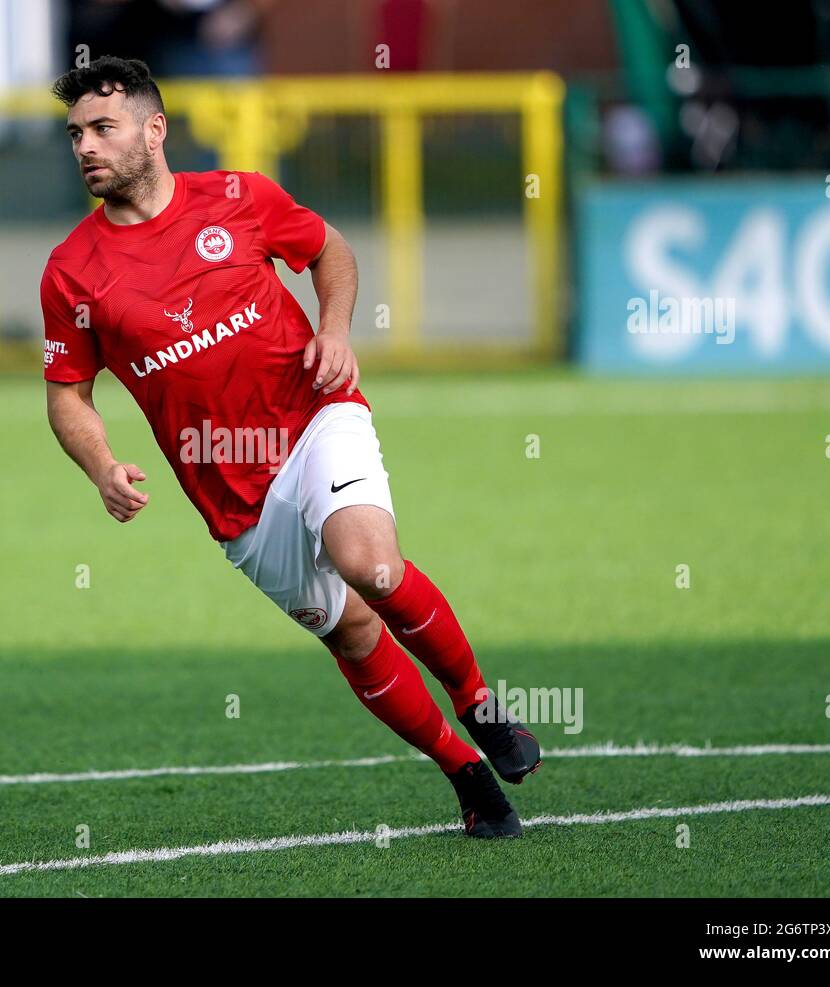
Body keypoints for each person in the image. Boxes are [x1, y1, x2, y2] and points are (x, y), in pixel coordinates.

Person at [41, 56, 540, 837]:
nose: (85, 147)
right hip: (234, 496)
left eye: (102, 128)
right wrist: (102, 466)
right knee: (352, 632)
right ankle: (465, 773)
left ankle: (480, 702)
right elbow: (68, 394)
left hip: (314, 418)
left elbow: (329, 250)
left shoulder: (238, 197)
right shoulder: (72, 272)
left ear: (154, 129)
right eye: (75, 134)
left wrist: (335, 330)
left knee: (369, 563)